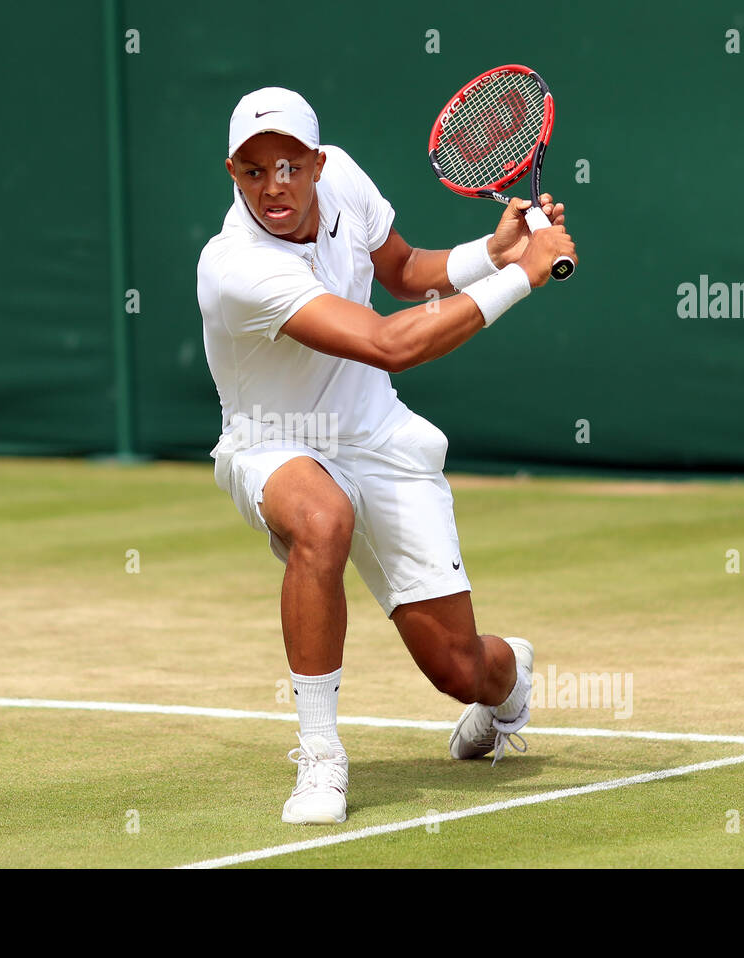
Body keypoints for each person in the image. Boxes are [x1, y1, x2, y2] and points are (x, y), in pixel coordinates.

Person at [196, 86, 577, 824]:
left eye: (288, 166)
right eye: (252, 170)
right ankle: (319, 757)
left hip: (378, 436)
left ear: (318, 162)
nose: (273, 185)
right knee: (320, 518)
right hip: (272, 441)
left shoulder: (344, 180)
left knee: (460, 669)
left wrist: (489, 253)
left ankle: (509, 684)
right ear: (232, 173)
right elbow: (387, 343)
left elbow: (403, 272)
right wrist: (523, 275)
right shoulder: (235, 266)